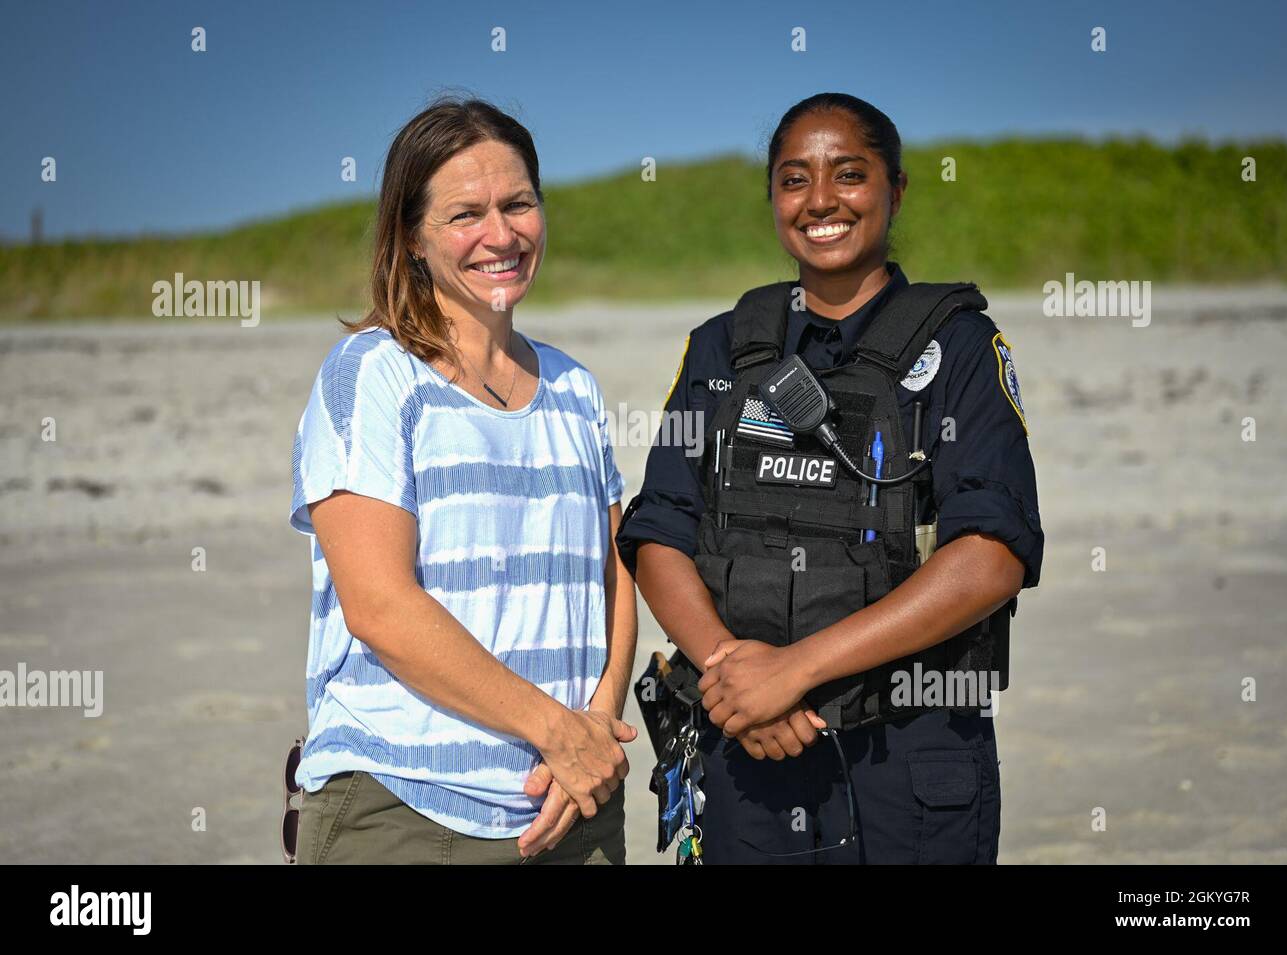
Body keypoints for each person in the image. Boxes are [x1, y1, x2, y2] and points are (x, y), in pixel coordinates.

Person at [617, 92, 1043, 864]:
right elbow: (658, 533)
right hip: (746, 759)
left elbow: (990, 555)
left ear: (896, 188)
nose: (821, 201)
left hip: (910, 766)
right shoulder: (721, 349)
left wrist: (795, 671)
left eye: (849, 174)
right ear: (772, 197)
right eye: (793, 179)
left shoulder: (960, 347)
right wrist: (733, 680)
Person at [288, 97, 637, 864]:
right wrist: (556, 729)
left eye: (518, 204)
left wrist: (595, 728)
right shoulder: (373, 377)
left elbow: (616, 570)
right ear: (412, 236)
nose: (500, 234)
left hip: (574, 801)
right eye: (465, 214)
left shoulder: (575, 388)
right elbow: (380, 606)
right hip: (409, 808)